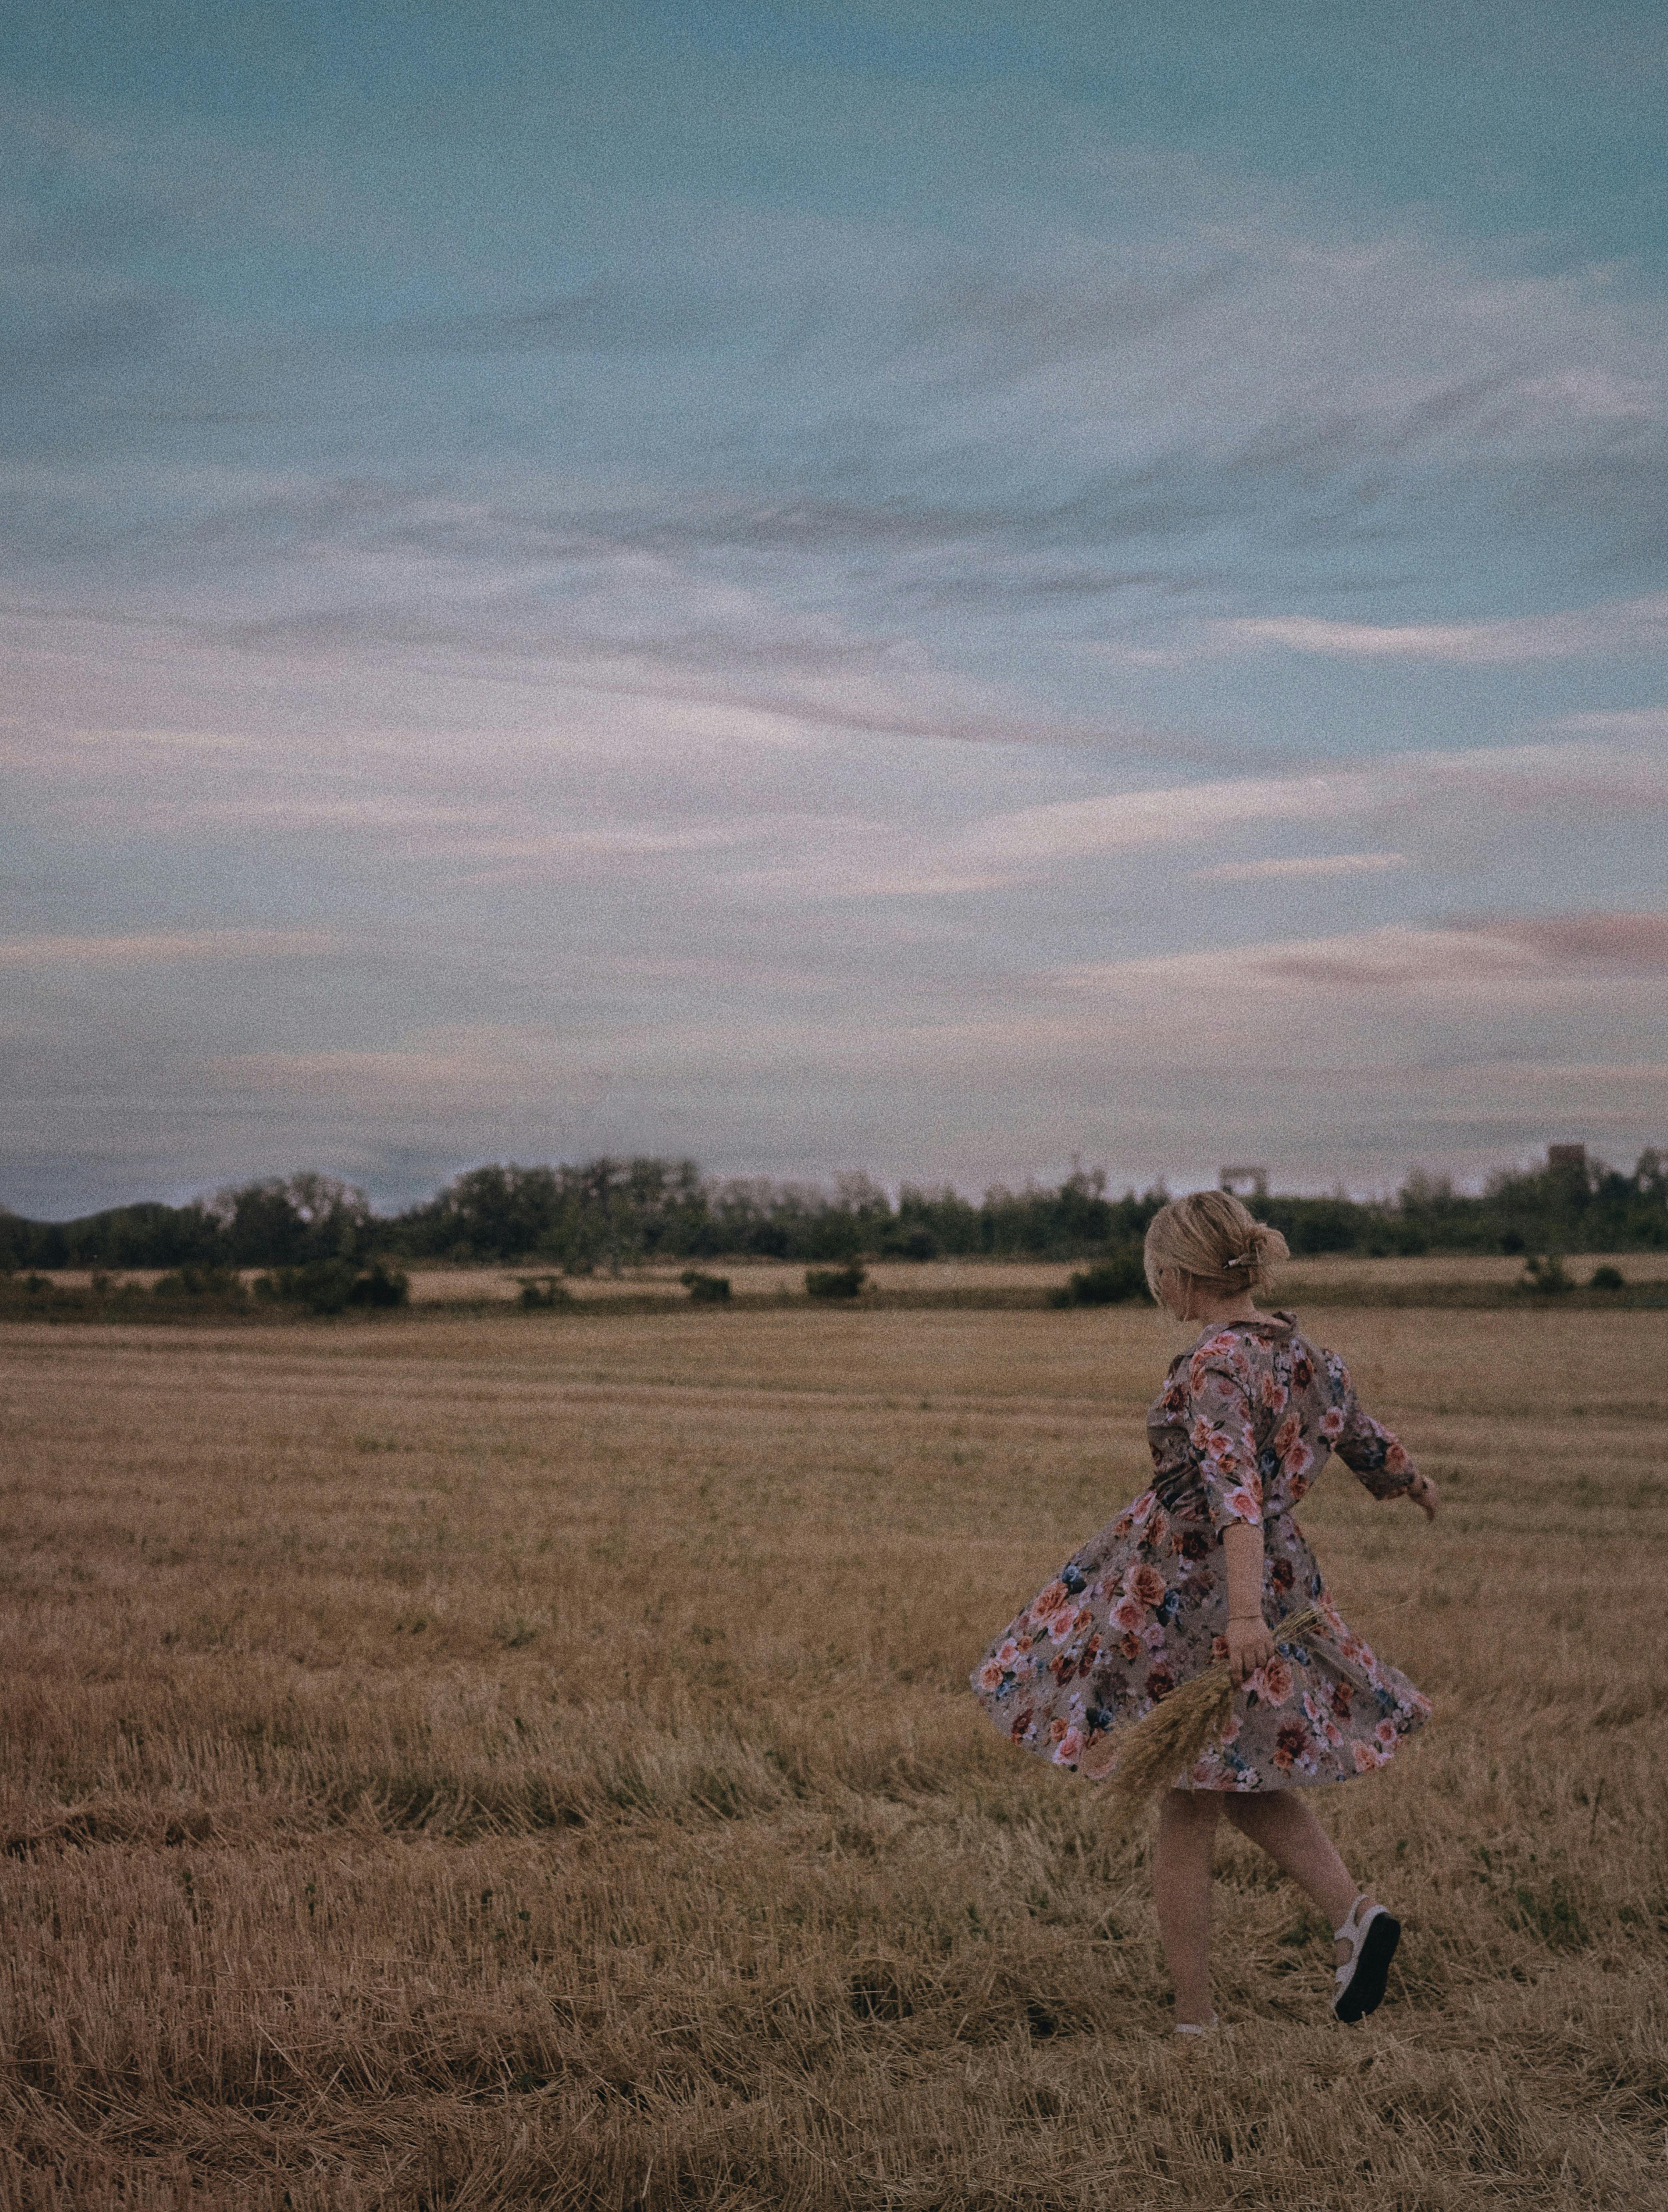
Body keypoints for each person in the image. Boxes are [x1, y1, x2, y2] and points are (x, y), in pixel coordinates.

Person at [970, 1190, 1437, 2034]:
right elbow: (1358, 1430)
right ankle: (1352, 1916)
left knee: (1185, 1800)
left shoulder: (1213, 1362)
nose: (1157, 1290)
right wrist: (1404, 1479)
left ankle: (1194, 2020)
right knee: (1231, 1777)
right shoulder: (1305, 1355)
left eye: (1156, 1275)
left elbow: (1235, 1494)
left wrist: (1245, 1615)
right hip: (1265, 1582)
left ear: (1181, 1275)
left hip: (1199, 1596)